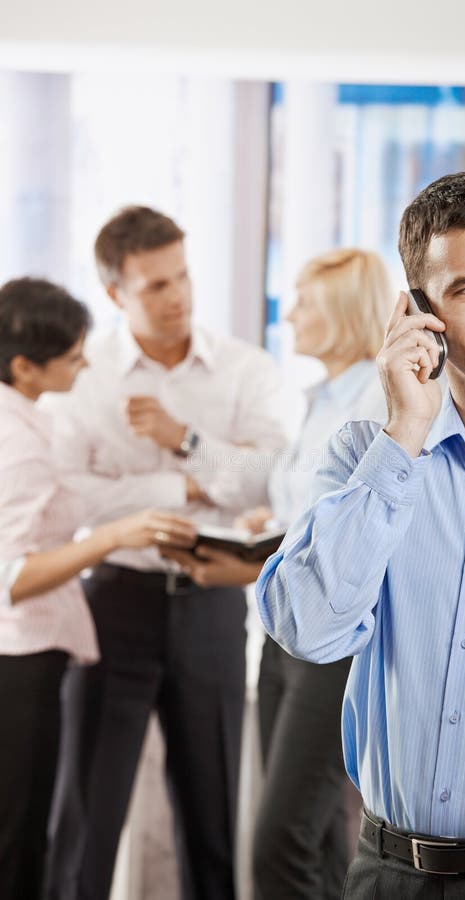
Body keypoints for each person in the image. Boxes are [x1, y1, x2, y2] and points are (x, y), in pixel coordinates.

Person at [256, 171, 465, 900]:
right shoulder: (365, 455)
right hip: (388, 877)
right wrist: (405, 434)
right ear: (419, 310)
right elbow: (307, 631)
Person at [43, 207, 287, 900]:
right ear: (116, 294)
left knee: (213, 823)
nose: (178, 295)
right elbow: (69, 495)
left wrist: (186, 441)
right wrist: (183, 486)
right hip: (113, 604)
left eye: (182, 276)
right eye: (155, 285)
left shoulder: (244, 369)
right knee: (85, 822)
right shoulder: (85, 377)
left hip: (213, 604)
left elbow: (270, 478)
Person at [162, 247, 395, 900]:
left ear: (343, 313)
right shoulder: (321, 401)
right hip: (282, 637)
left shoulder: (380, 403)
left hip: (331, 645)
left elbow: (359, 535)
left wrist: (247, 561)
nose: (289, 315)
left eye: (304, 302)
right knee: (317, 845)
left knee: (278, 845)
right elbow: (288, 491)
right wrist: (264, 520)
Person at [0, 277, 196, 900]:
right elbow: (15, 576)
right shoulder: (23, 438)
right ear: (24, 366)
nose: (85, 366)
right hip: (29, 652)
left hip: (49, 649)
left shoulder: (27, 420)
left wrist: (187, 448)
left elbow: (260, 469)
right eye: (72, 357)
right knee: (27, 834)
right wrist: (116, 534)